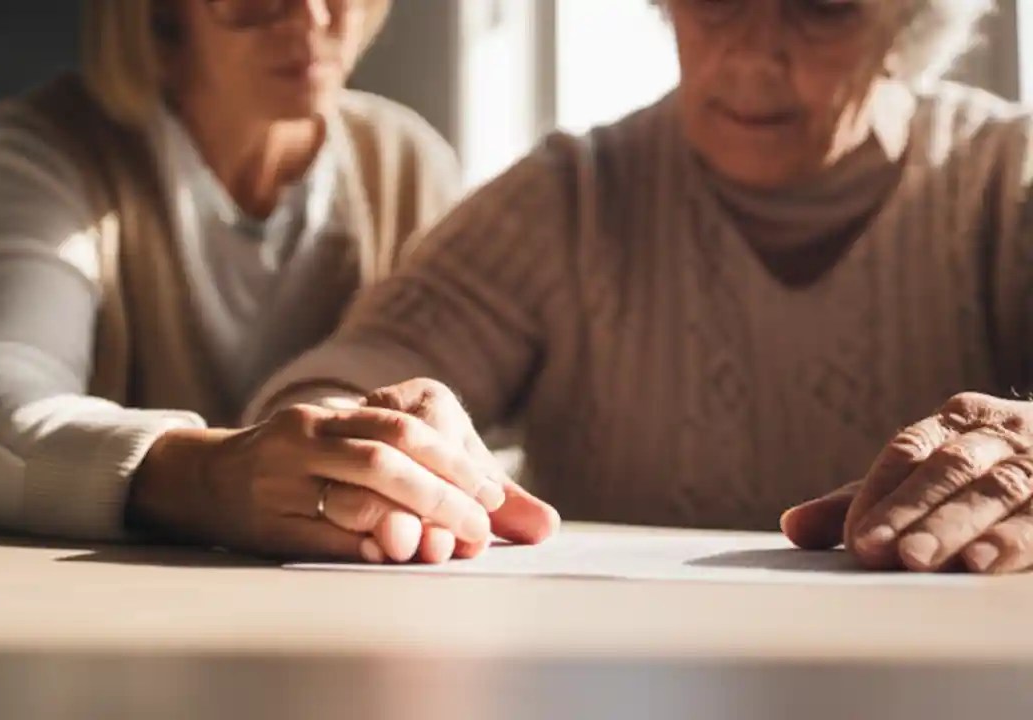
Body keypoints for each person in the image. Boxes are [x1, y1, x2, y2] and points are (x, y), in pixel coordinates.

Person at [246, 0, 1033, 574]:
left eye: (820, 10)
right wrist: (364, 440)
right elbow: (331, 389)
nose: (755, 55)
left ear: (909, 26)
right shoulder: (571, 198)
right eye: (718, 5)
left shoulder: (1005, 180)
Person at [0, 0, 514, 564]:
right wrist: (209, 477)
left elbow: (485, 432)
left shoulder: (407, 162)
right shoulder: (60, 149)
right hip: (114, 621)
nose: (311, 16)